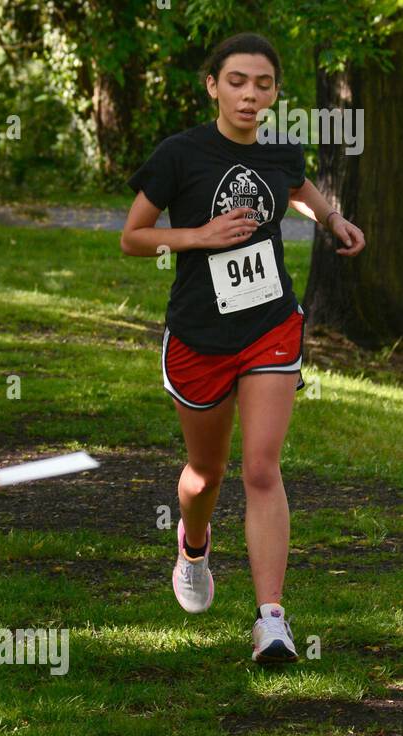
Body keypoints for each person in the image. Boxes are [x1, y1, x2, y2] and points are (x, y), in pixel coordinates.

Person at [121, 31, 365, 662]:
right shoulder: (180, 154)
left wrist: (333, 219)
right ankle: (193, 543)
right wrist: (199, 235)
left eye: (263, 84)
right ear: (212, 86)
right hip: (200, 334)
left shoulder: (280, 152)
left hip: (270, 325)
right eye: (237, 81)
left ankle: (271, 620)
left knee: (261, 467)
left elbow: (299, 190)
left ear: (275, 92)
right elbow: (133, 236)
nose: (250, 95)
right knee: (206, 474)